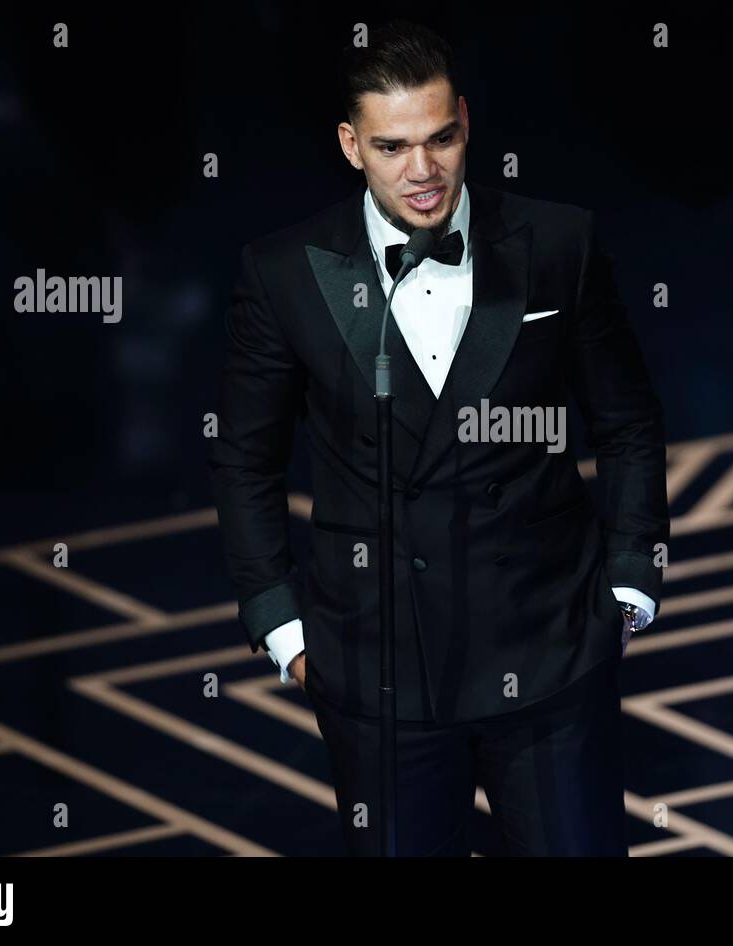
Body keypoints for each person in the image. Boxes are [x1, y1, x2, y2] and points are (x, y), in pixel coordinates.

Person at [206, 18, 668, 856]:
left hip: (551, 655)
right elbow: (244, 461)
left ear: (464, 121)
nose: (423, 172)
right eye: (393, 148)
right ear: (351, 146)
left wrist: (631, 581)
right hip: (377, 674)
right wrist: (282, 628)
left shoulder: (557, 241)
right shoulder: (284, 271)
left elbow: (628, 421)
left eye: (440, 138)